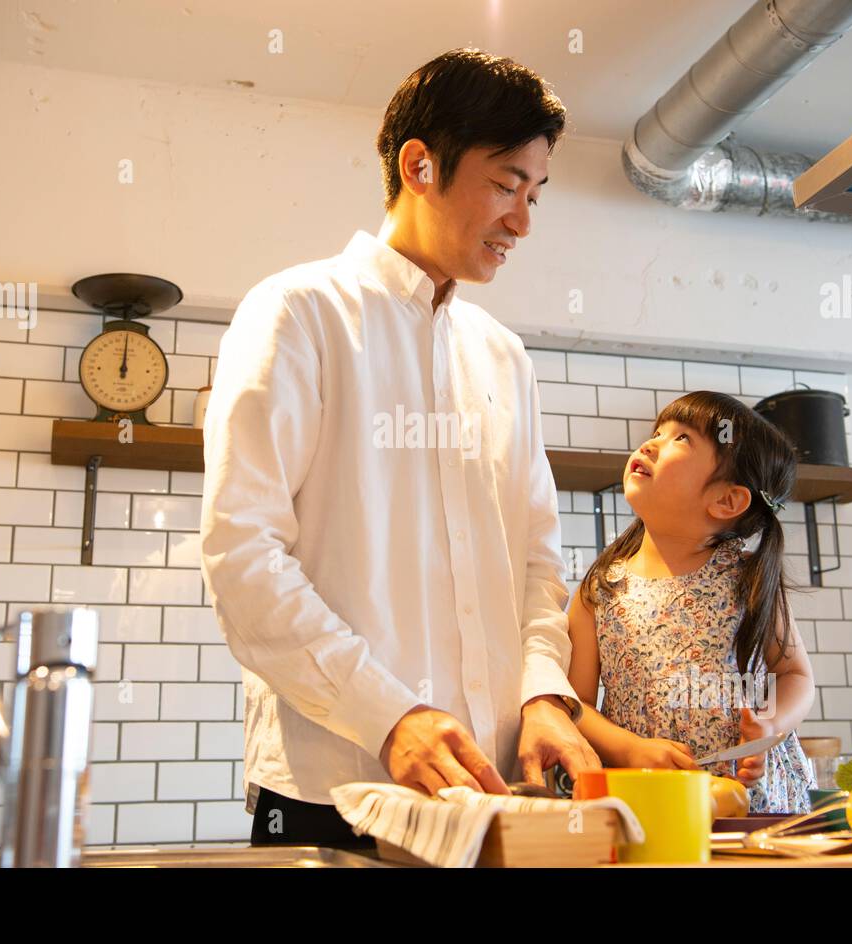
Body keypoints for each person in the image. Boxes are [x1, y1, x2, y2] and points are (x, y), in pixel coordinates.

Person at [200, 48, 600, 848]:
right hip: (334, 794)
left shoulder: (504, 357)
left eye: (534, 193)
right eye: (505, 184)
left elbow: (537, 565)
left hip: (494, 792)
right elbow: (243, 554)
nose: (522, 220)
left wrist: (544, 693)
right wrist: (390, 716)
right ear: (420, 164)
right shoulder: (296, 313)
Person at [568, 391, 818, 813]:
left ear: (726, 500)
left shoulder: (747, 577)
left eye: (681, 439)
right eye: (657, 432)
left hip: (754, 805)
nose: (650, 443)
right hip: (650, 798)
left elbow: (795, 676)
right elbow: (575, 705)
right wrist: (629, 750)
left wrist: (771, 724)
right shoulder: (602, 588)